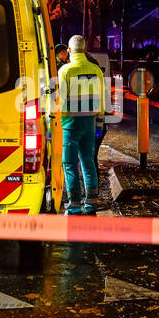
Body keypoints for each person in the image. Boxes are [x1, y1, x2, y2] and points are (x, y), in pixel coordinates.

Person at [57, 34, 104, 215]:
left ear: (69, 51)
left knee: (69, 164)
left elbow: (59, 101)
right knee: (88, 163)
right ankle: (91, 205)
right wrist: (98, 126)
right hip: (89, 124)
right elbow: (101, 102)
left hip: (69, 125)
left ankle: (74, 205)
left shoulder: (65, 71)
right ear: (84, 50)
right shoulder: (96, 70)